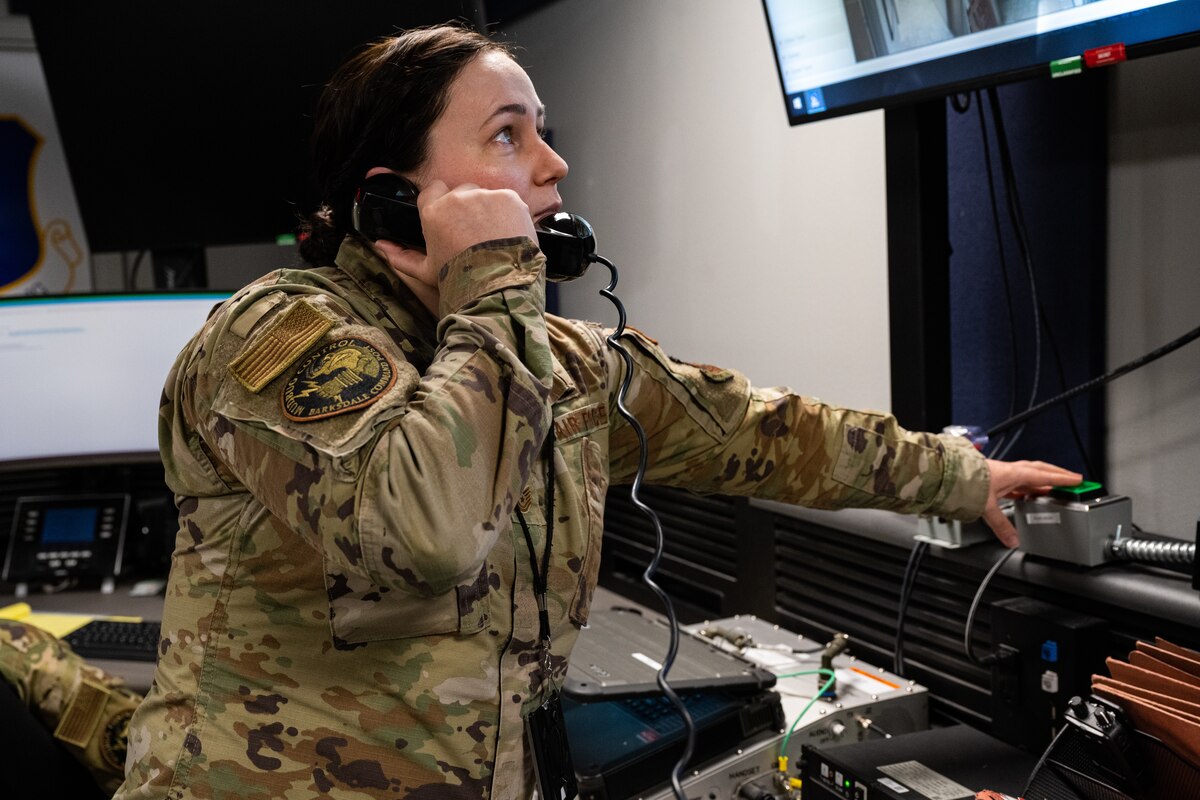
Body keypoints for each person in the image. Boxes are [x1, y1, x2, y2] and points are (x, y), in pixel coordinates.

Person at [114, 23, 1080, 800]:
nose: (554, 163)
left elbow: (753, 430)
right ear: (392, 199)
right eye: (508, 135)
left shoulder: (555, 359)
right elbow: (424, 529)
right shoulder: (276, 336)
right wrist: (493, 280)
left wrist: (966, 478)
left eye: (543, 129)